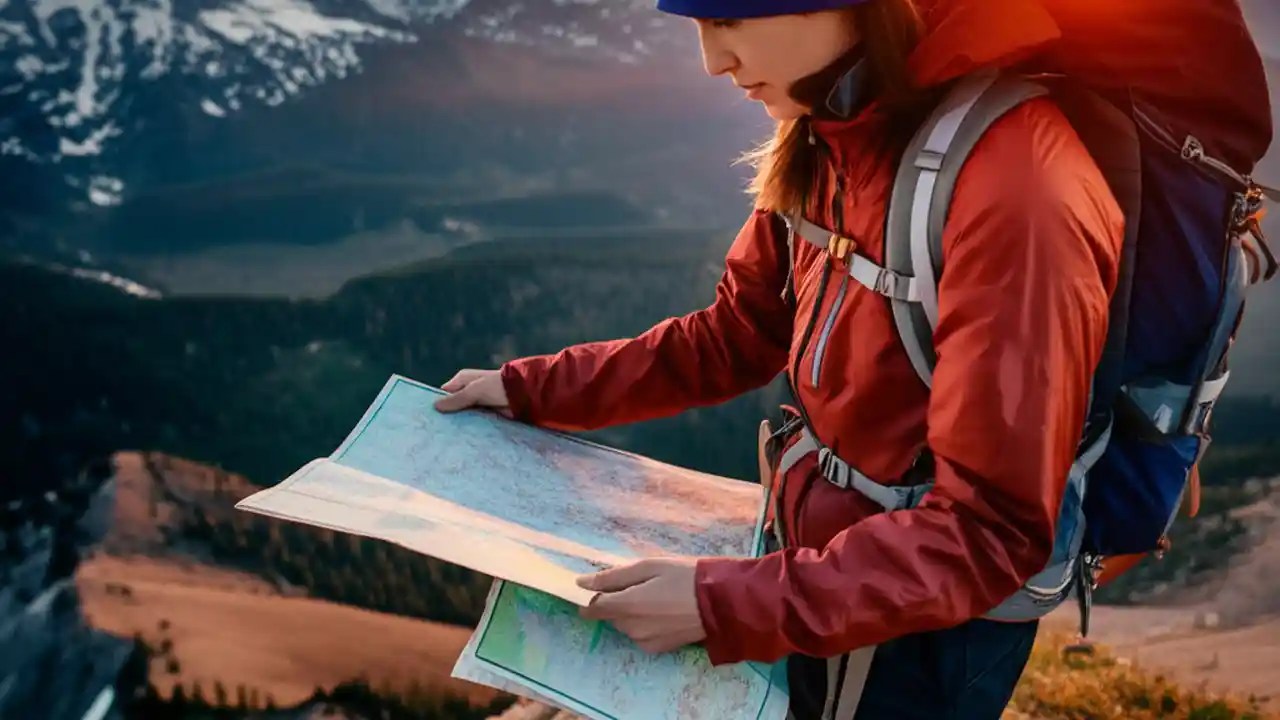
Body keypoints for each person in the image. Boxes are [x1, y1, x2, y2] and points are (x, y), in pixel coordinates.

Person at [436, 0, 1127, 717]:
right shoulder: (835, 130)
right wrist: (530, 391)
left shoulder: (1017, 190)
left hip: (925, 633)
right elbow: (735, 334)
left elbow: (990, 533)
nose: (712, 61)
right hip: (820, 575)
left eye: (728, 21)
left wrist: (723, 606)